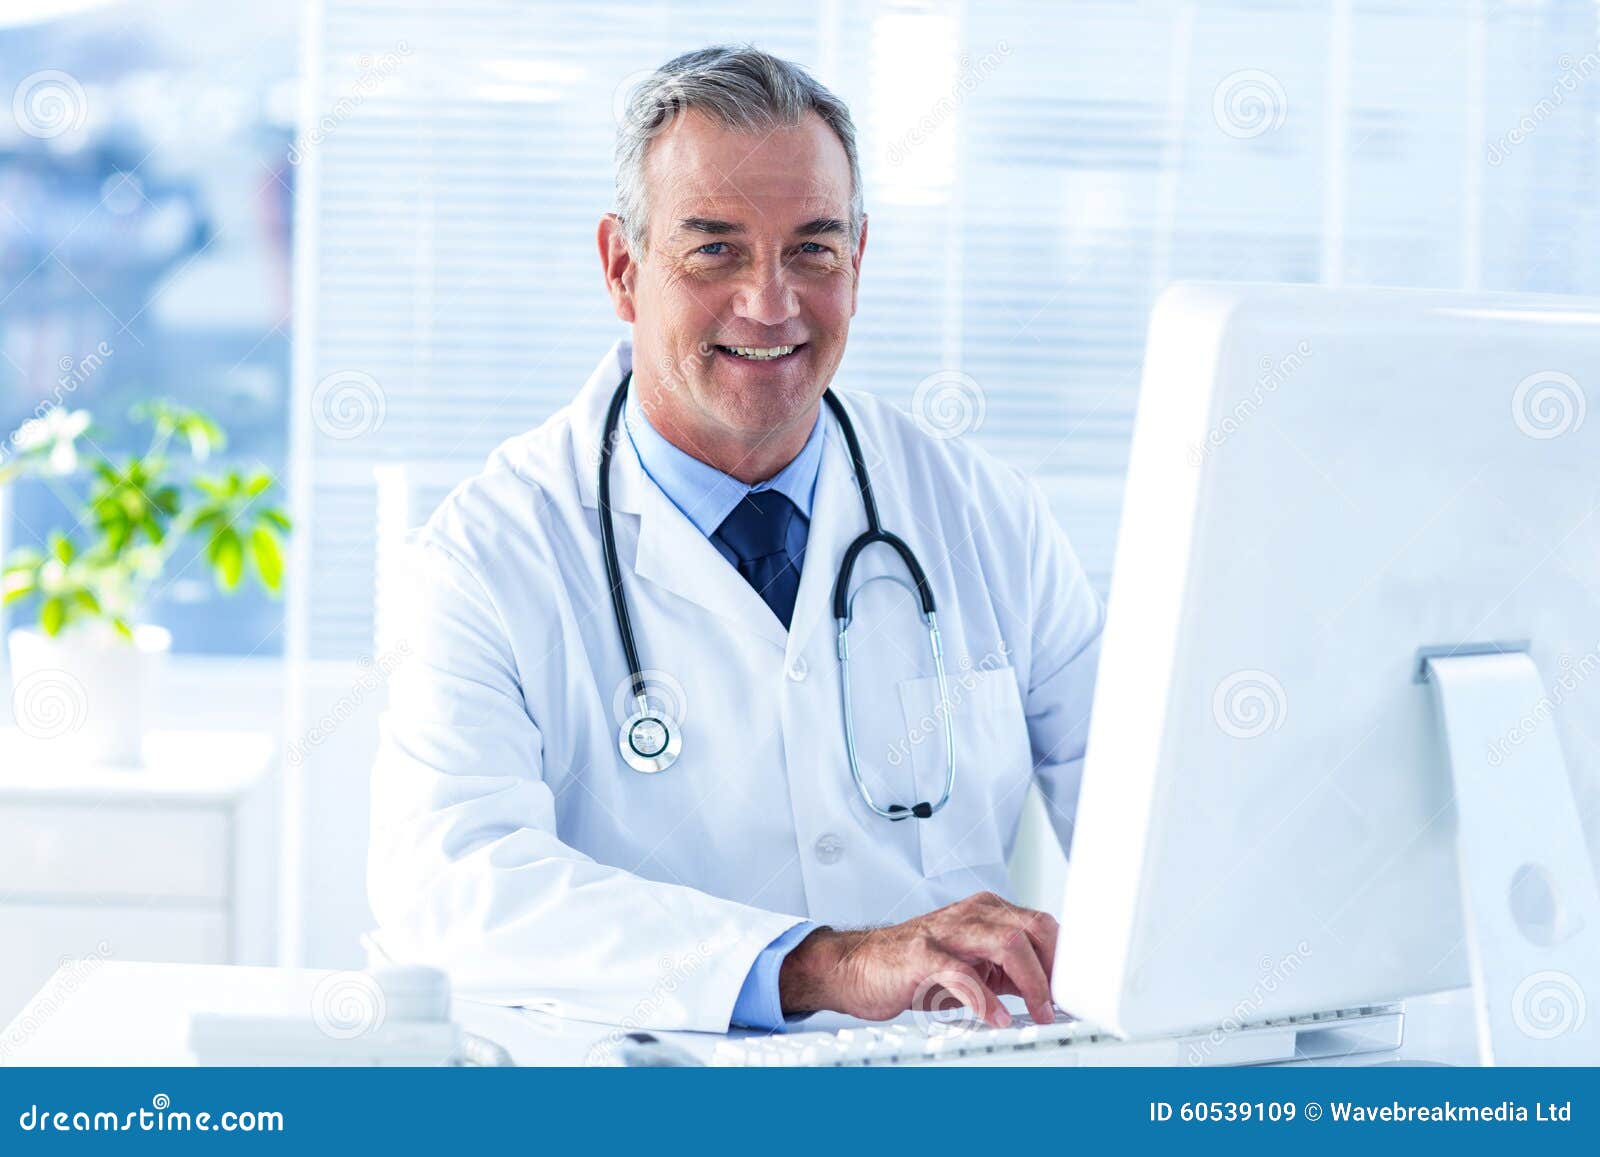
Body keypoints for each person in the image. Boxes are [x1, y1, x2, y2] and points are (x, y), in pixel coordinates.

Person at [367, 45, 1104, 1033]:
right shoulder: (487, 556)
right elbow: (454, 888)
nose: (770, 302)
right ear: (622, 267)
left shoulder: (986, 516)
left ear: (859, 258)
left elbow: (1146, 812)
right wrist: (821, 963)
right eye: (714, 249)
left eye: (813, 248)